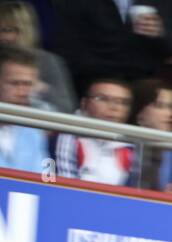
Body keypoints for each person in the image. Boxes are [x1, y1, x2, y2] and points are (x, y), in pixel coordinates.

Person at [53, 77, 134, 185]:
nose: (114, 107)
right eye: (103, 99)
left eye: (123, 102)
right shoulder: (67, 133)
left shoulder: (131, 144)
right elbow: (65, 185)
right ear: (84, 103)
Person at [0, 44, 49, 173]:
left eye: (27, 84)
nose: (23, 92)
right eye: (15, 83)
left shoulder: (34, 132)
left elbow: (48, 178)